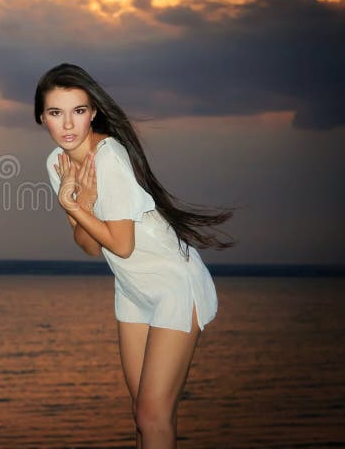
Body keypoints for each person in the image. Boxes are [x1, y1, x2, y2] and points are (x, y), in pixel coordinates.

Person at [35, 63, 235, 448]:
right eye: (56, 113)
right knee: (143, 417)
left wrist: (75, 208)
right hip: (131, 290)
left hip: (173, 286)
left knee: (152, 414)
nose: (68, 125)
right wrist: (85, 204)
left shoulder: (109, 156)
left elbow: (122, 245)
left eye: (78, 111)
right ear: (41, 117)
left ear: (93, 112)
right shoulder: (56, 164)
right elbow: (91, 245)